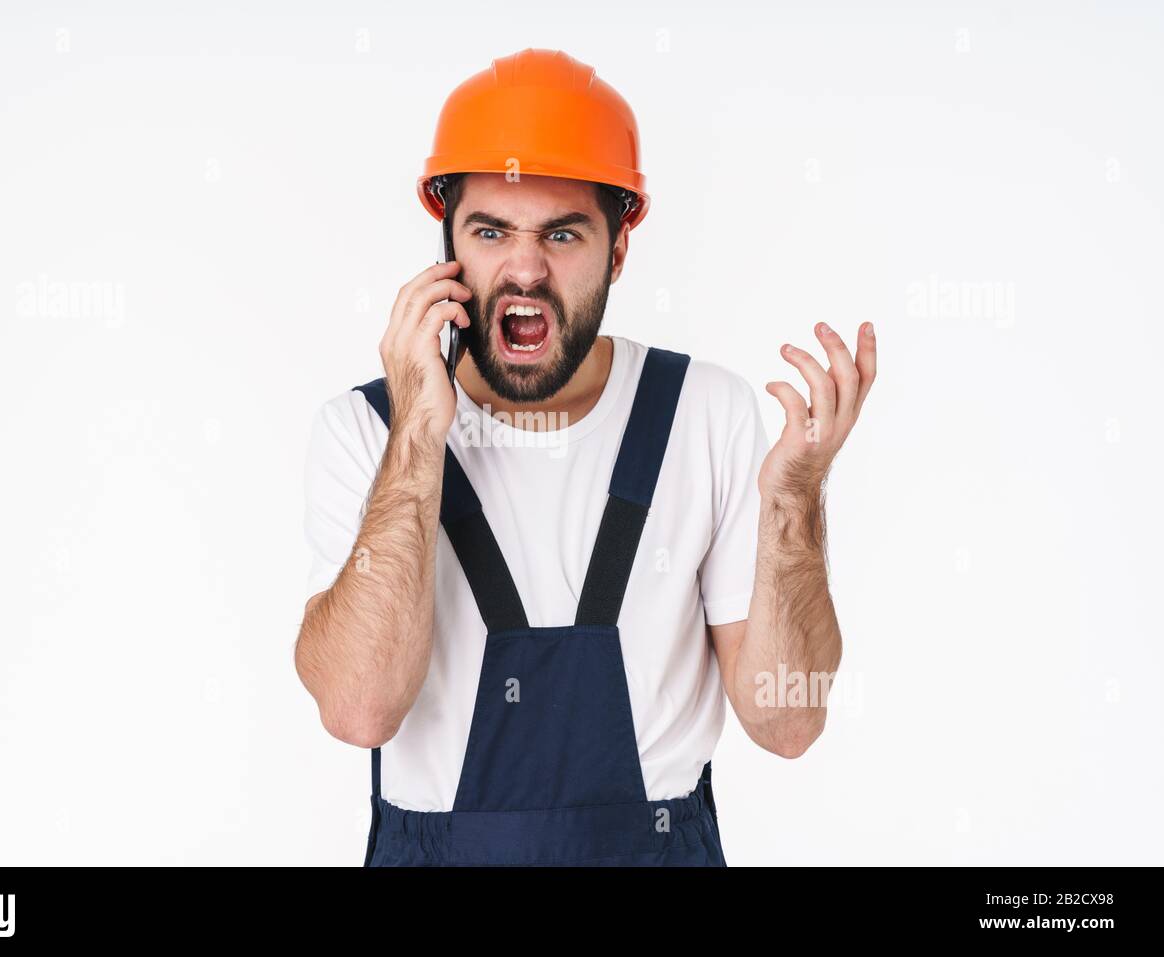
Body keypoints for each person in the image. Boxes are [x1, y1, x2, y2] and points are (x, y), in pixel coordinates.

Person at [295, 48, 876, 866]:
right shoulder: (365, 431)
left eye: (562, 233)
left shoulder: (705, 415)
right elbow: (359, 709)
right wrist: (420, 436)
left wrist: (796, 503)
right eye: (491, 231)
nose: (525, 269)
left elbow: (788, 723)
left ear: (618, 249)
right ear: (446, 249)